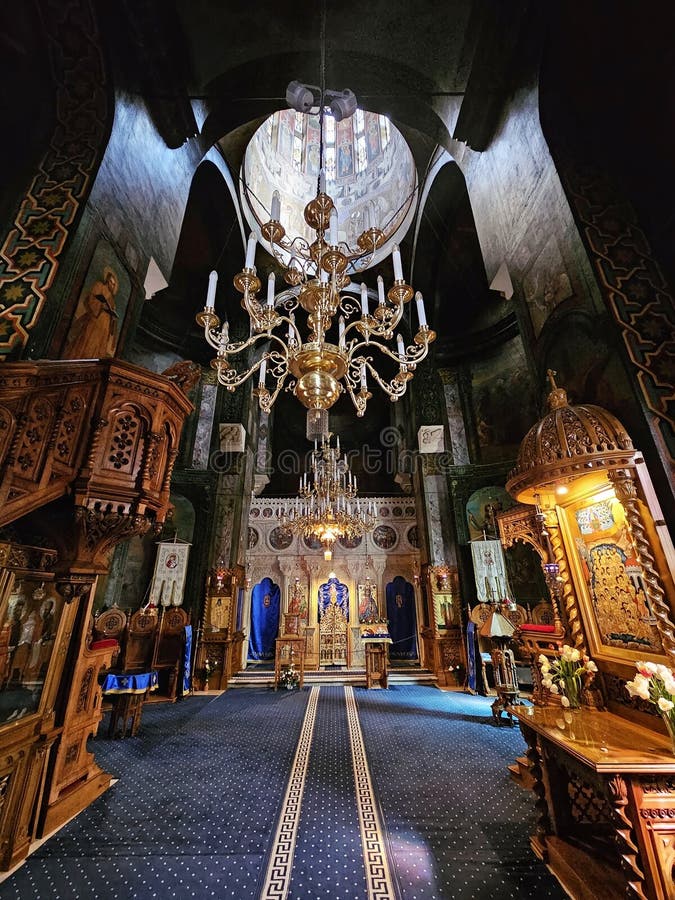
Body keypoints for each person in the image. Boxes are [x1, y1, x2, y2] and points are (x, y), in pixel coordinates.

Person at [64, 266, 119, 359]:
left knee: (98, 346)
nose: (112, 285)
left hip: (104, 328)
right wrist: (101, 306)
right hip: (95, 320)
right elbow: (91, 299)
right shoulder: (99, 286)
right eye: (111, 282)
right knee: (87, 341)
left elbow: (112, 312)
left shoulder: (112, 300)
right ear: (107, 280)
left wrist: (113, 317)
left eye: (114, 284)